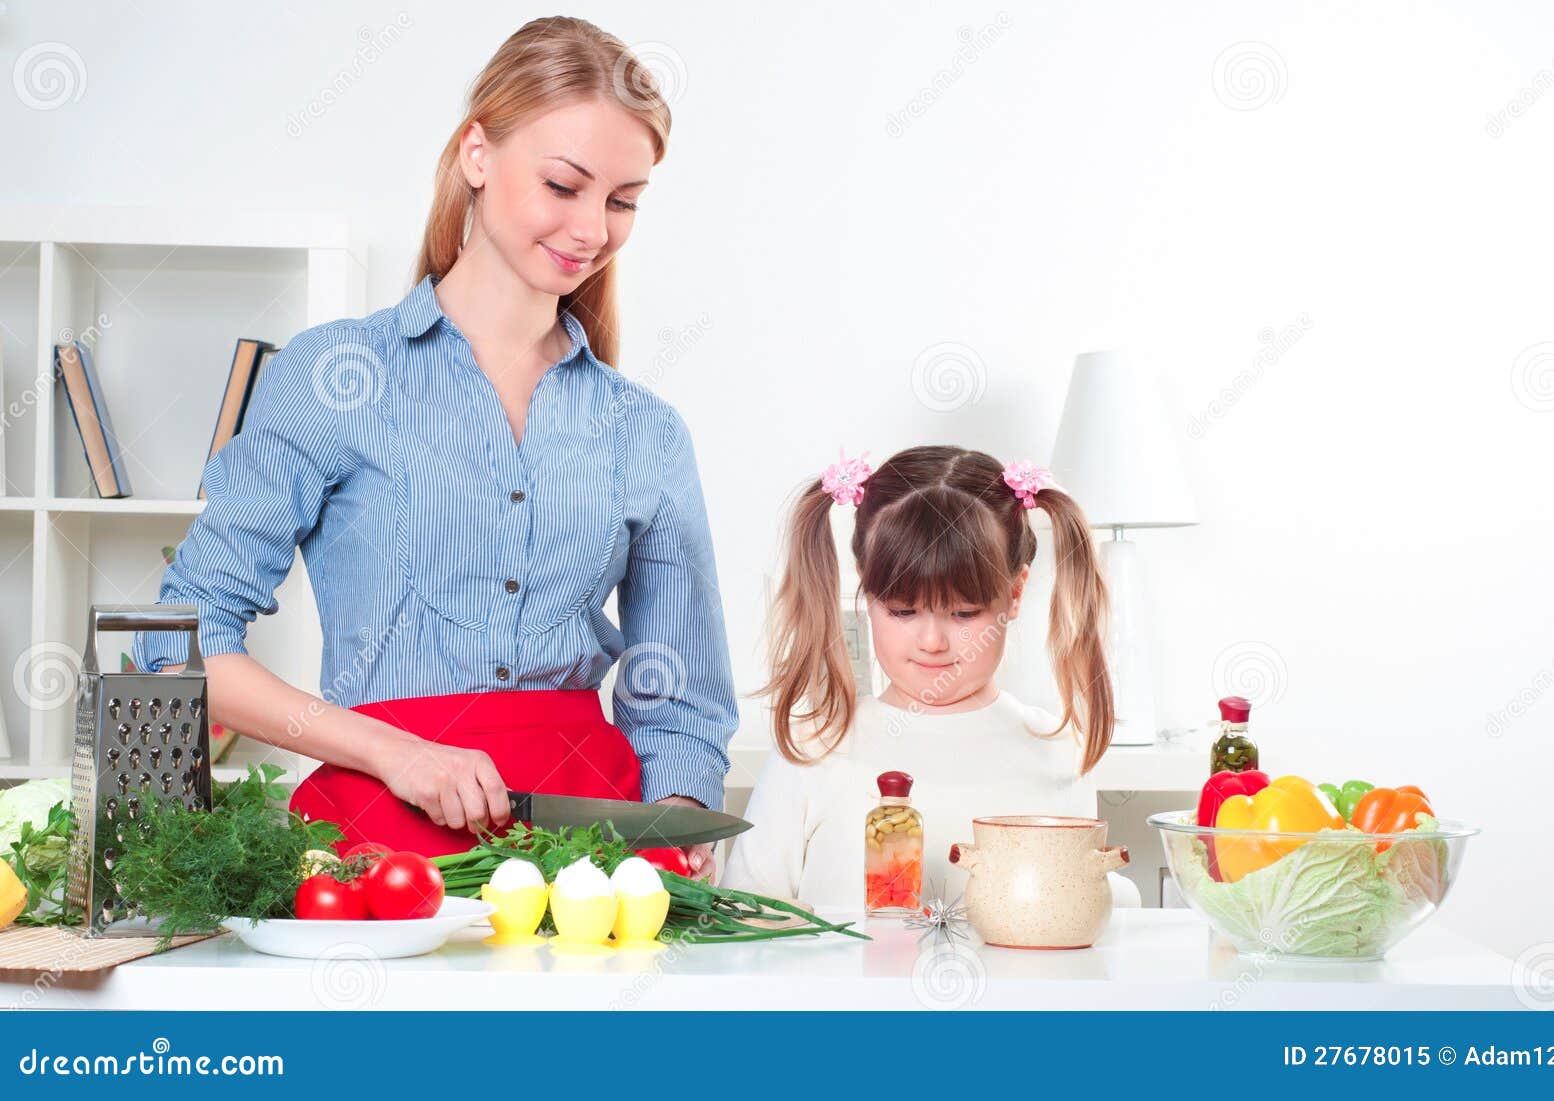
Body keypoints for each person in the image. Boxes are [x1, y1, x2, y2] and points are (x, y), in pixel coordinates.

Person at [134, 17, 735, 874]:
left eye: (623, 200)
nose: (593, 229)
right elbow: (180, 642)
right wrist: (393, 750)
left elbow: (679, 702)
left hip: (588, 857)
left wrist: (674, 828)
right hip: (378, 844)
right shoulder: (334, 377)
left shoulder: (645, 432)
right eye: (564, 185)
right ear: (477, 155)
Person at [721, 446, 1139, 907]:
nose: (932, 641)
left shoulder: (1057, 752)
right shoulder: (813, 750)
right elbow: (745, 920)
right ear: (865, 585)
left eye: (963, 612)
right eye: (902, 610)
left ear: (1015, 593)